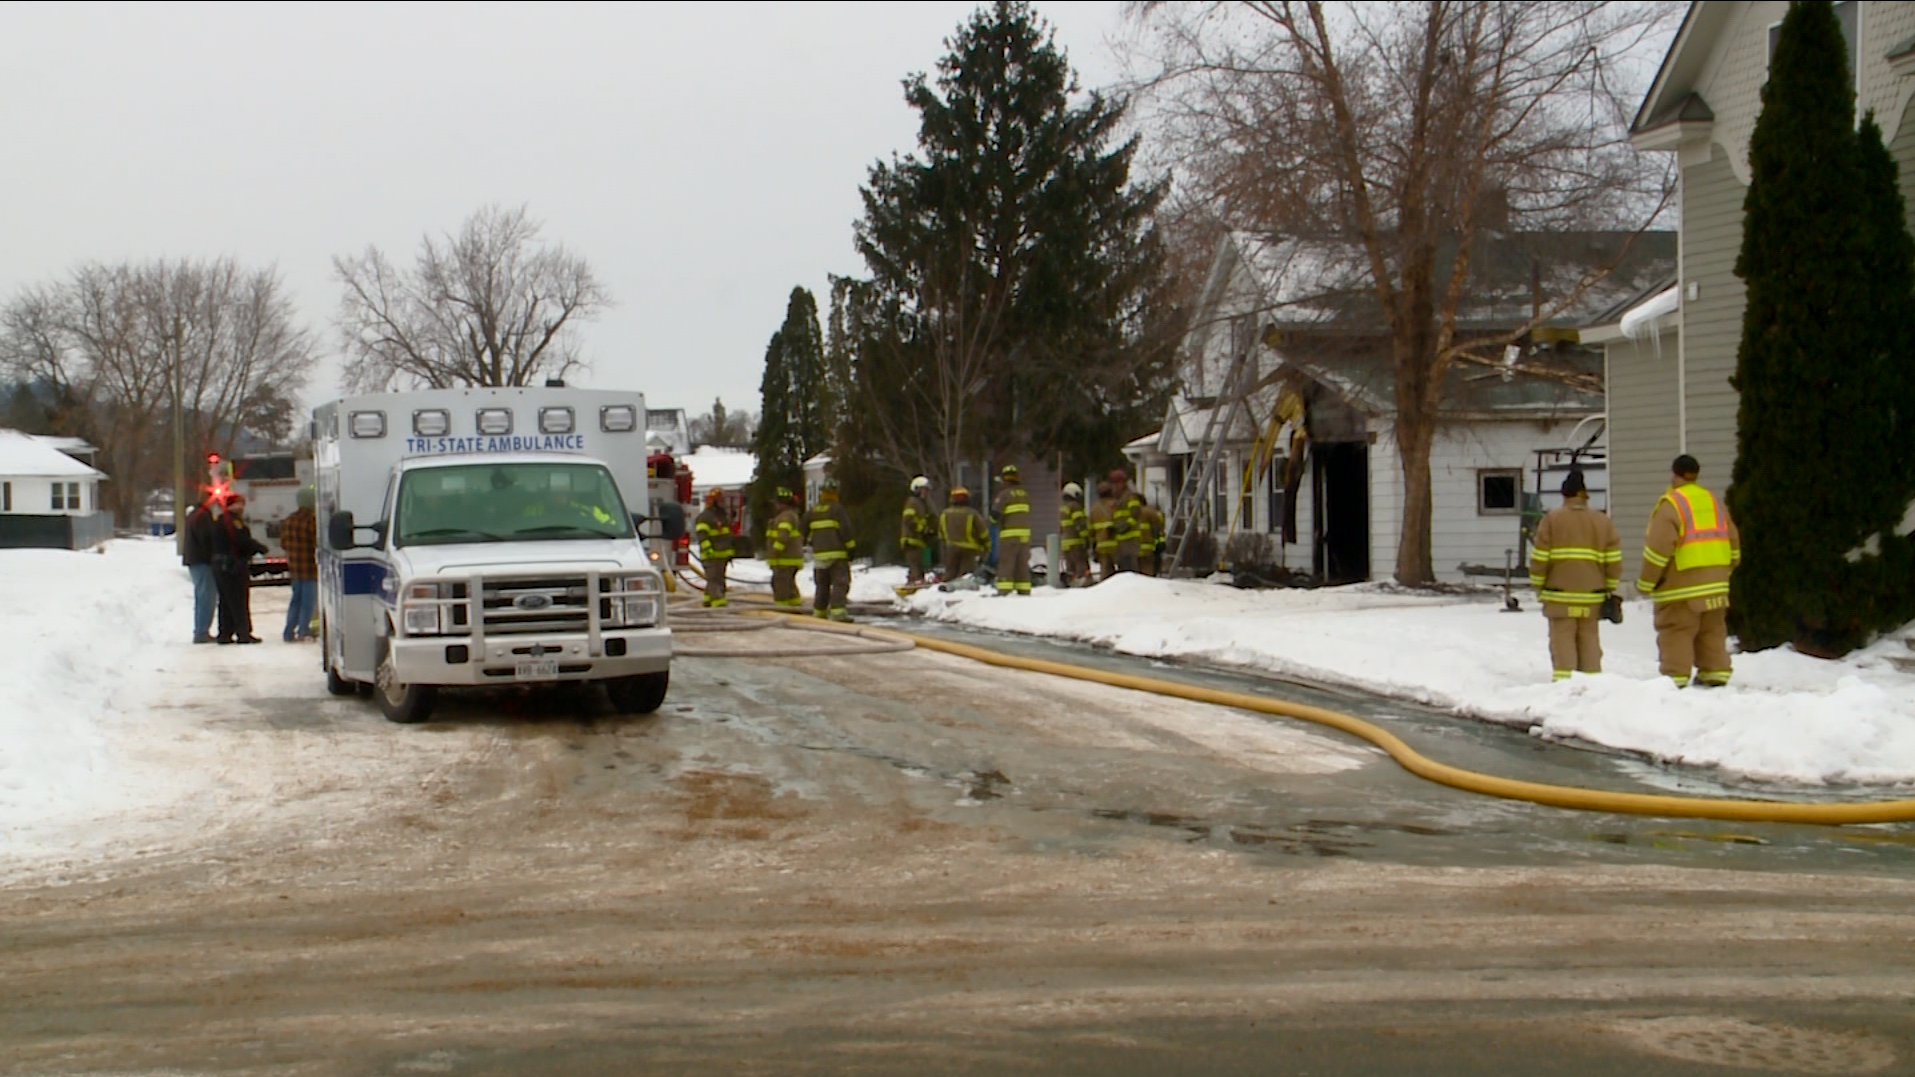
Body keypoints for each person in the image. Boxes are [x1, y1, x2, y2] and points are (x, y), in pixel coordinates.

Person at [1638, 454, 1741, 687]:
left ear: (1674, 474)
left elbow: (1658, 549)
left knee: (1676, 630)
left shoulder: (1671, 505)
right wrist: (1726, 570)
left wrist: (1647, 582)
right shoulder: (1713, 502)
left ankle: (1676, 676)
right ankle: (1715, 672)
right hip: (1716, 584)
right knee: (1712, 630)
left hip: (1681, 587)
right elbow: (1733, 542)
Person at [1528, 470, 1622, 681]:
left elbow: (1540, 558)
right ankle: (1592, 682)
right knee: (1589, 639)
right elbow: (1614, 559)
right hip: (1592, 594)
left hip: (1559, 593)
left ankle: (1564, 683)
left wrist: (1539, 585)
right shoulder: (1602, 521)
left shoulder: (1551, 519)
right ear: (1585, 495)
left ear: (1564, 495)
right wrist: (1609, 586)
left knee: (1563, 639)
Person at [211, 494, 268, 644]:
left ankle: (225, 633)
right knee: (238, 599)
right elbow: (242, 541)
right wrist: (259, 548)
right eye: (239, 504)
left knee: (226, 600)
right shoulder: (233, 521)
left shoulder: (221, 520)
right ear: (231, 505)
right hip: (233, 565)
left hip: (220, 564)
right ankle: (243, 633)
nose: (242, 507)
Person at [803, 477, 855, 621]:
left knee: (822, 585)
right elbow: (846, 530)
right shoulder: (837, 509)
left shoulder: (812, 511)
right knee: (840, 583)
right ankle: (838, 613)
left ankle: (819, 612)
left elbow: (802, 530)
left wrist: (807, 543)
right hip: (837, 555)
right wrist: (851, 548)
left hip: (819, 556)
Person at [280, 487, 319, 643]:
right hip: (309, 567)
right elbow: (317, 541)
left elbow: (283, 543)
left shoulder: (289, 519)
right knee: (308, 602)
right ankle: (303, 630)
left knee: (295, 600)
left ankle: (288, 631)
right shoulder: (312, 520)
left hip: (295, 568)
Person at [181, 493, 219, 643]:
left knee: (202, 596)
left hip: (195, 560)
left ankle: (201, 630)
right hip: (203, 561)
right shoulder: (203, 516)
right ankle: (201, 631)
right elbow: (206, 538)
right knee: (206, 597)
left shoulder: (194, 514)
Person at [990, 464, 1032, 596]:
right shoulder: (1025, 494)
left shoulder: (1004, 495)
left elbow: (994, 516)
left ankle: (1004, 590)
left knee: (1006, 563)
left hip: (1009, 536)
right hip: (1025, 537)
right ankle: (1024, 590)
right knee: (1022, 565)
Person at [693, 487, 736, 608]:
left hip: (722, 555)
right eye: (721, 500)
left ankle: (709, 600)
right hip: (711, 555)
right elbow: (702, 536)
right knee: (714, 580)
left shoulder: (722, 516)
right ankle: (718, 603)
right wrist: (708, 550)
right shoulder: (705, 517)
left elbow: (726, 536)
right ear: (713, 501)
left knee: (718, 579)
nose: (723, 503)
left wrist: (730, 551)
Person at [765, 487, 806, 608]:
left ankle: (782, 608)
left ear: (782, 503)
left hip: (785, 559)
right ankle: (795, 606)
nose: (775, 506)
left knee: (781, 586)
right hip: (789, 558)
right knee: (789, 585)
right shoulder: (788, 515)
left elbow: (783, 535)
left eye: (777, 503)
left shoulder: (786, 517)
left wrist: (774, 552)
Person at [939, 486, 988, 581]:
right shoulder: (973, 514)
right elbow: (983, 532)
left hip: (951, 549)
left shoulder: (945, 514)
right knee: (965, 577)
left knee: (949, 574)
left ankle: (945, 591)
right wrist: (986, 546)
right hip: (969, 551)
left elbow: (941, 533)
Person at [900, 475, 936, 586]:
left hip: (920, 541)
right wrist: (923, 530)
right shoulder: (912, 502)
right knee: (915, 565)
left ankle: (916, 583)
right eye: (924, 490)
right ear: (916, 489)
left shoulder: (922, 504)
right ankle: (915, 584)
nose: (926, 493)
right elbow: (909, 520)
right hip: (912, 540)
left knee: (920, 566)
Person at [1109, 468, 1144, 574]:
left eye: (1117, 483)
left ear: (1123, 483)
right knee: (1122, 568)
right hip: (1120, 540)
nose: (1114, 486)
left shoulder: (1130, 497)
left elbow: (1135, 515)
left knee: (1131, 569)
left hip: (1130, 539)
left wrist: (1125, 526)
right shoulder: (1117, 499)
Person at [1058, 482, 1089, 587]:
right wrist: (1086, 537)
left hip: (1066, 543)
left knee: (1070, 568)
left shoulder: (1063, 508)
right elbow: (1079, 523)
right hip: (1076, 542)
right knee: (1080, 565)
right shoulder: (1074, 506)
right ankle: (1080, 584)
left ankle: (1071, 583)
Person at [1090, 481, 1118, 581]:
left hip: (1101, 546)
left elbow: (1091, 531)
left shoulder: (1094, 509)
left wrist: (1094, 547)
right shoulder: (1115, 505)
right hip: (1117, 545)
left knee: (1106, 576)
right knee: (1123, 576)